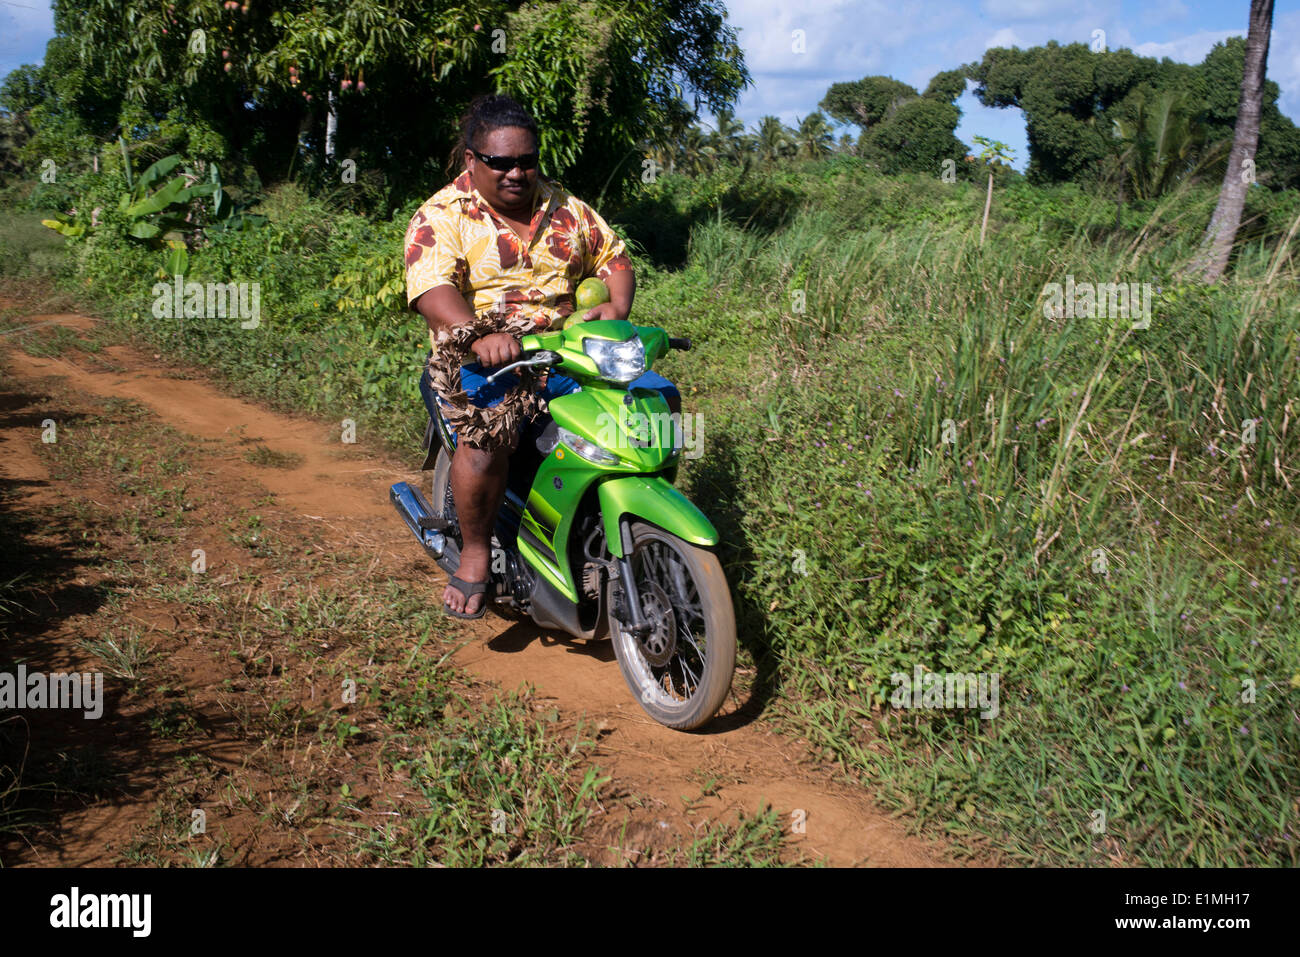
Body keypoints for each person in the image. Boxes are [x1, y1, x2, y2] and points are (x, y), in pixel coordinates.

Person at [404, 93, 679, 619]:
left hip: (566, 352)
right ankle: (477, 554)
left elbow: (614, 259)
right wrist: (476, 334)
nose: (515, 173)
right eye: (500, 162)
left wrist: (616, 307)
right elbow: (431, 290)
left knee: (649, 405)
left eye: (526, 161)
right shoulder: (442, 214)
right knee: (485, 439)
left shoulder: (567, 208)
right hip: (482, 359)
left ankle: (627, 526)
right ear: (471, 160)